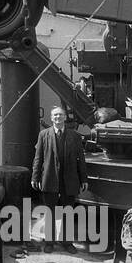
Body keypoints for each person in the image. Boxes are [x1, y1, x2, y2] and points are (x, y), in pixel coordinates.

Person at [31, 106, 90, 252]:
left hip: (69, 181)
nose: (58, 118)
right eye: (55, 115)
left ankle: (67, 242)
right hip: (49, 178)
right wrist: (35, 177)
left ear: (65, 117)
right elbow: (38, 158)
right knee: (50, 212)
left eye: (60, 115)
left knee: (68, 212)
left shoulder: (75, 136)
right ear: (51, 118)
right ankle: (49, 243)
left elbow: (80, 160)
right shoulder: (43, 135)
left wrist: (84, 179)